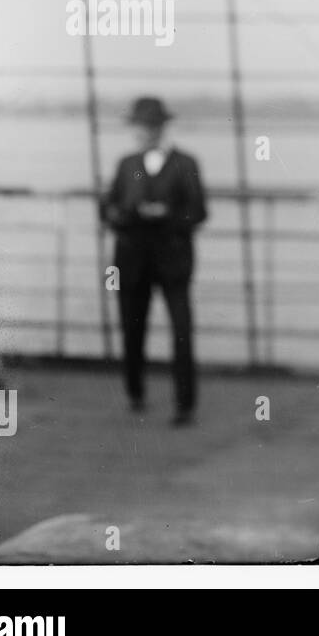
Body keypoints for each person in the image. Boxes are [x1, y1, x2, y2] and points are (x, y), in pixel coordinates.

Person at [100, 97, 208, 426]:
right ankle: (135, 393)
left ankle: (184, 404)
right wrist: (128, 214)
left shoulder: (185, 163)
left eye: (150, 126)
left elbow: (199, 211)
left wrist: (169, 214)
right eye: (140, 126)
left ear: (162, 128)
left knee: (181, 331)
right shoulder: (125, 164)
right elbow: (108, 209)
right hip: (132, 260)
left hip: (173, 261)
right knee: (132, 330)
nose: (144, 132)